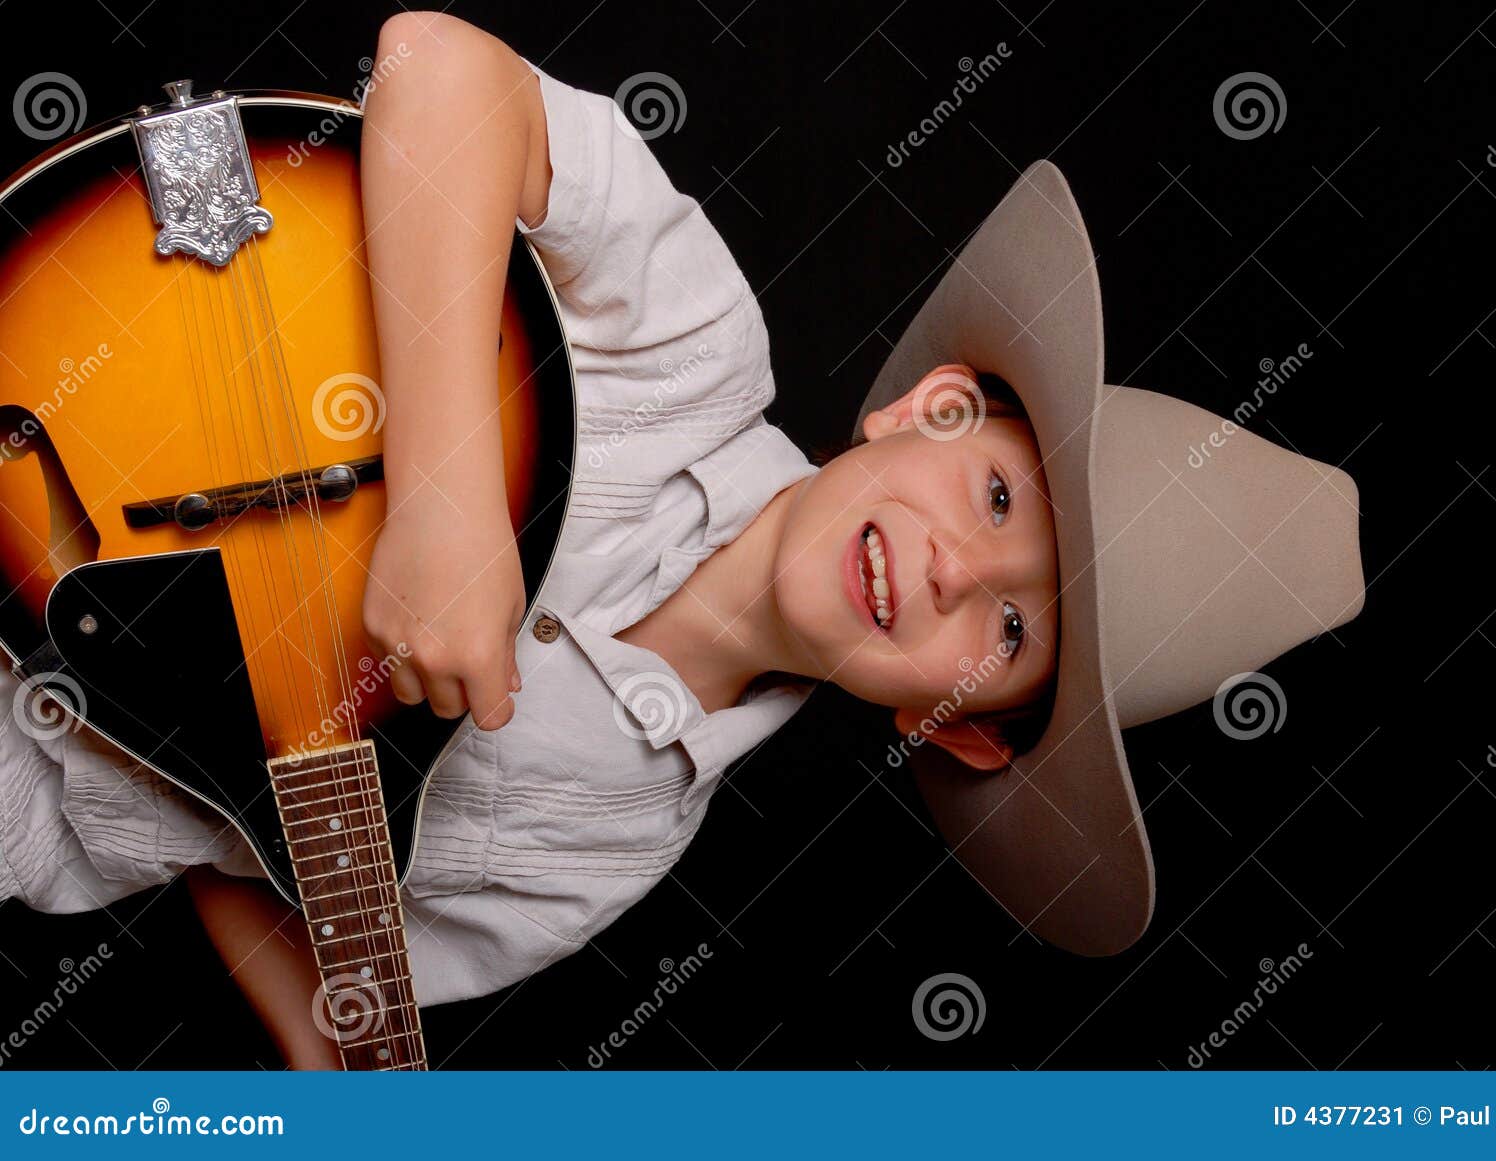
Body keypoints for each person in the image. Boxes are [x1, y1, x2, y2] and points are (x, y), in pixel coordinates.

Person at [0, 12, 1365, 1068]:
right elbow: (441, 70)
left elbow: (281, 902)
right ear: (928, 408)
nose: (958, 566)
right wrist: (448, 502)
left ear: (952, 726)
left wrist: (336, 1062)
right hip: (72, 392)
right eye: (1000, 499)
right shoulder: (695, 338)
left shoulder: (611, 847)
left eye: (1010, 631)